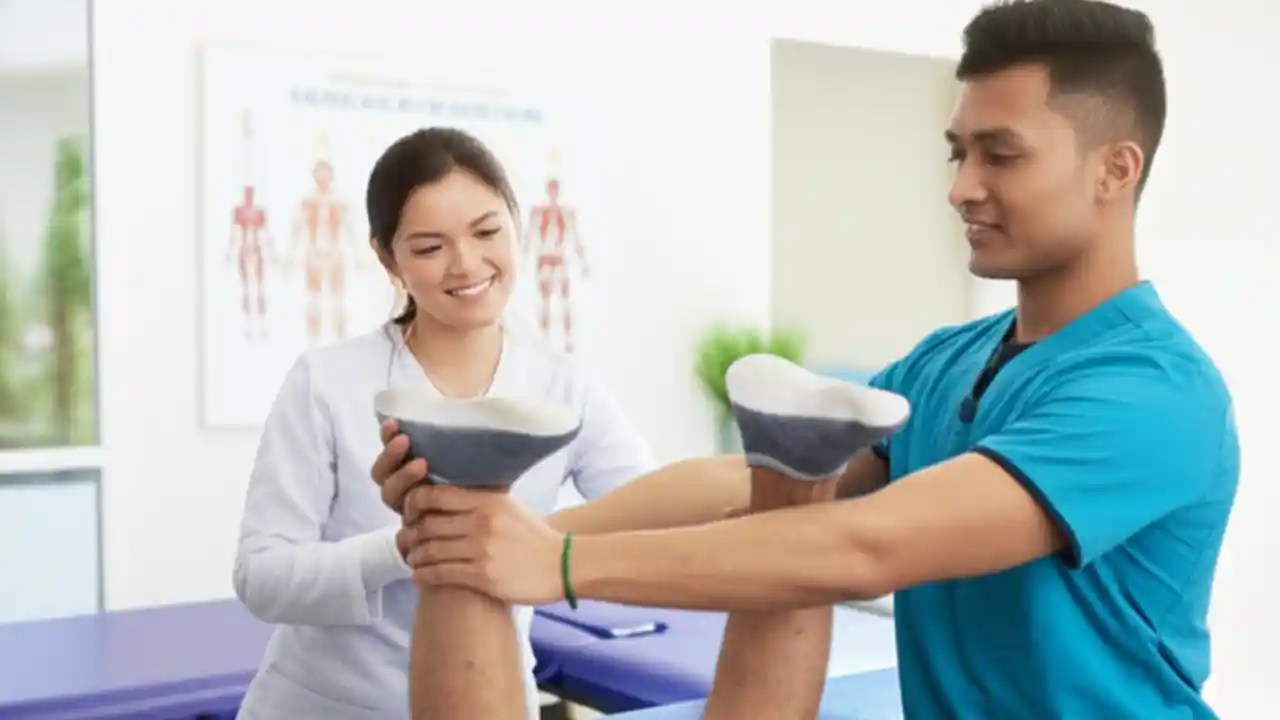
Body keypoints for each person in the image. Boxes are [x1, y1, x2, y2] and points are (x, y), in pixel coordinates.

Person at [382, 2, 1240, 718]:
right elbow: (750, 482)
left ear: (1114, 170)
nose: (960, 186)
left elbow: (866, 546)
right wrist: (488, 537)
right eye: (958, 151)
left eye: (1001, 155)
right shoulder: (951, 362)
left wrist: (558, 567)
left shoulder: (1152, 392)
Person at [231, 126, 658, 720]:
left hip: (490, 698)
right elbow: (263, 576)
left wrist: (517, 543)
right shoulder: (327, 381)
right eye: (430, 248)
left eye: (487, 232)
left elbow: (647, 514)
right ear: (388, 257)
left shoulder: (565, 387)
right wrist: (407, 547)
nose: (466, 264)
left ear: (516, 222)